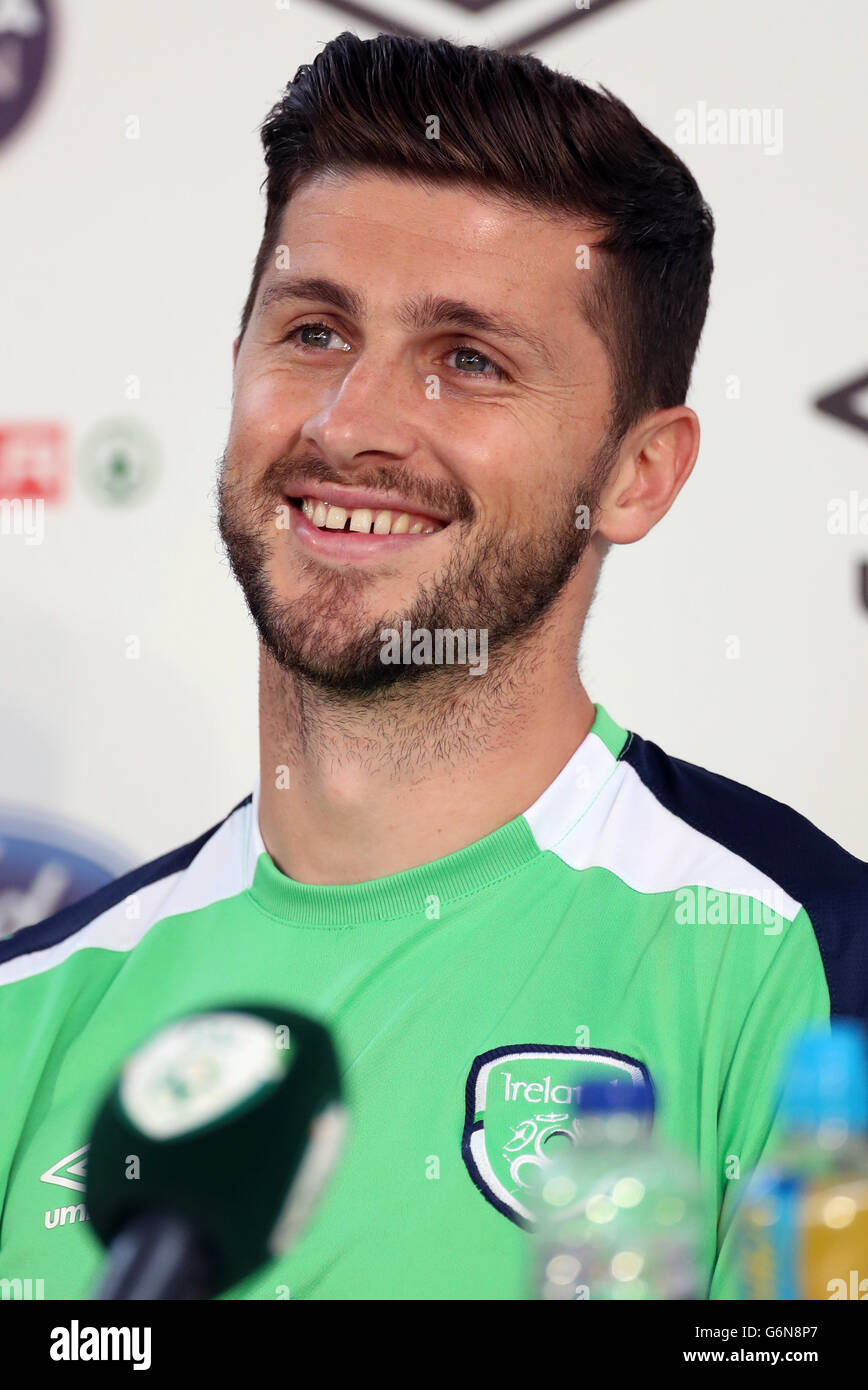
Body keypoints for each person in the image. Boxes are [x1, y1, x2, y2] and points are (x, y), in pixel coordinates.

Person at [1, 31, 865, 1301]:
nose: (350, 421)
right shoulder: (32, 1009)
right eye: (310, 330)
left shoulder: (809, 969)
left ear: (638, 474)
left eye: (468, 360)